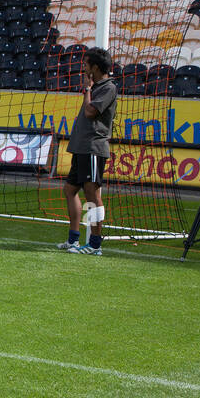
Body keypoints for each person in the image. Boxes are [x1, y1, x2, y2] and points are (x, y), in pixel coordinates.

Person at [59, 47, 117, 255]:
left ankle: (94, 245)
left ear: (95, 67)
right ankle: (73, 240)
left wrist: (87, 89)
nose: (84, 68)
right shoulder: (99, 86)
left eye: (86, 65)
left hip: (93, 147)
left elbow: (90, 112)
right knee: (69, 190)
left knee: (92, 193)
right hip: (82, 147)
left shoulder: (108, 88)